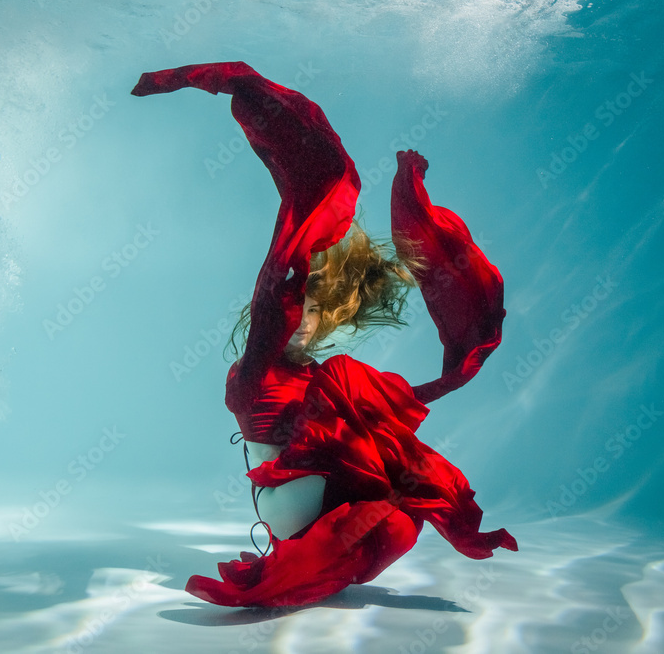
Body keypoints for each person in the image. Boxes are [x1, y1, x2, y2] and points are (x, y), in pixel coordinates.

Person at [132, 62, 517, 607]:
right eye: (304, 308)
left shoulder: (314, 379)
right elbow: (278, 292)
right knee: (361, 409)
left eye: (319, 313)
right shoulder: (262, 363)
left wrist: (447, 380)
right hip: (289, 511)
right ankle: (307, 559)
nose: (306, 320)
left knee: (392, 490)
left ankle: (316, 556)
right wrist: (225, 83)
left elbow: (376, 411)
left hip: (305, 508)